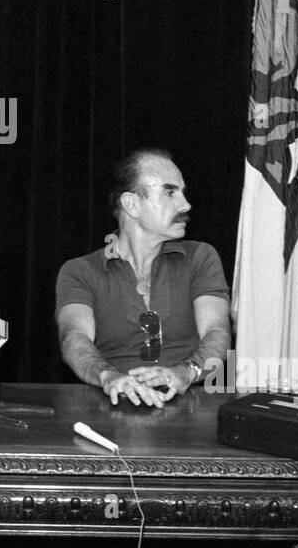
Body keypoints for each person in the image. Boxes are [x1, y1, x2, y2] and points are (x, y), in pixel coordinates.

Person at [55, 149, 230, 407]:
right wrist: (109, 376)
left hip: (190, 402)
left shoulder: (201, 257)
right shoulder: (80, 271)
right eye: (170, 192)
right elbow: (74, 338)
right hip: (111, 404)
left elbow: (217, 331)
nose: (185, 205)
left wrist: (185, 372)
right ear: (132, 204)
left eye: (183, 192)